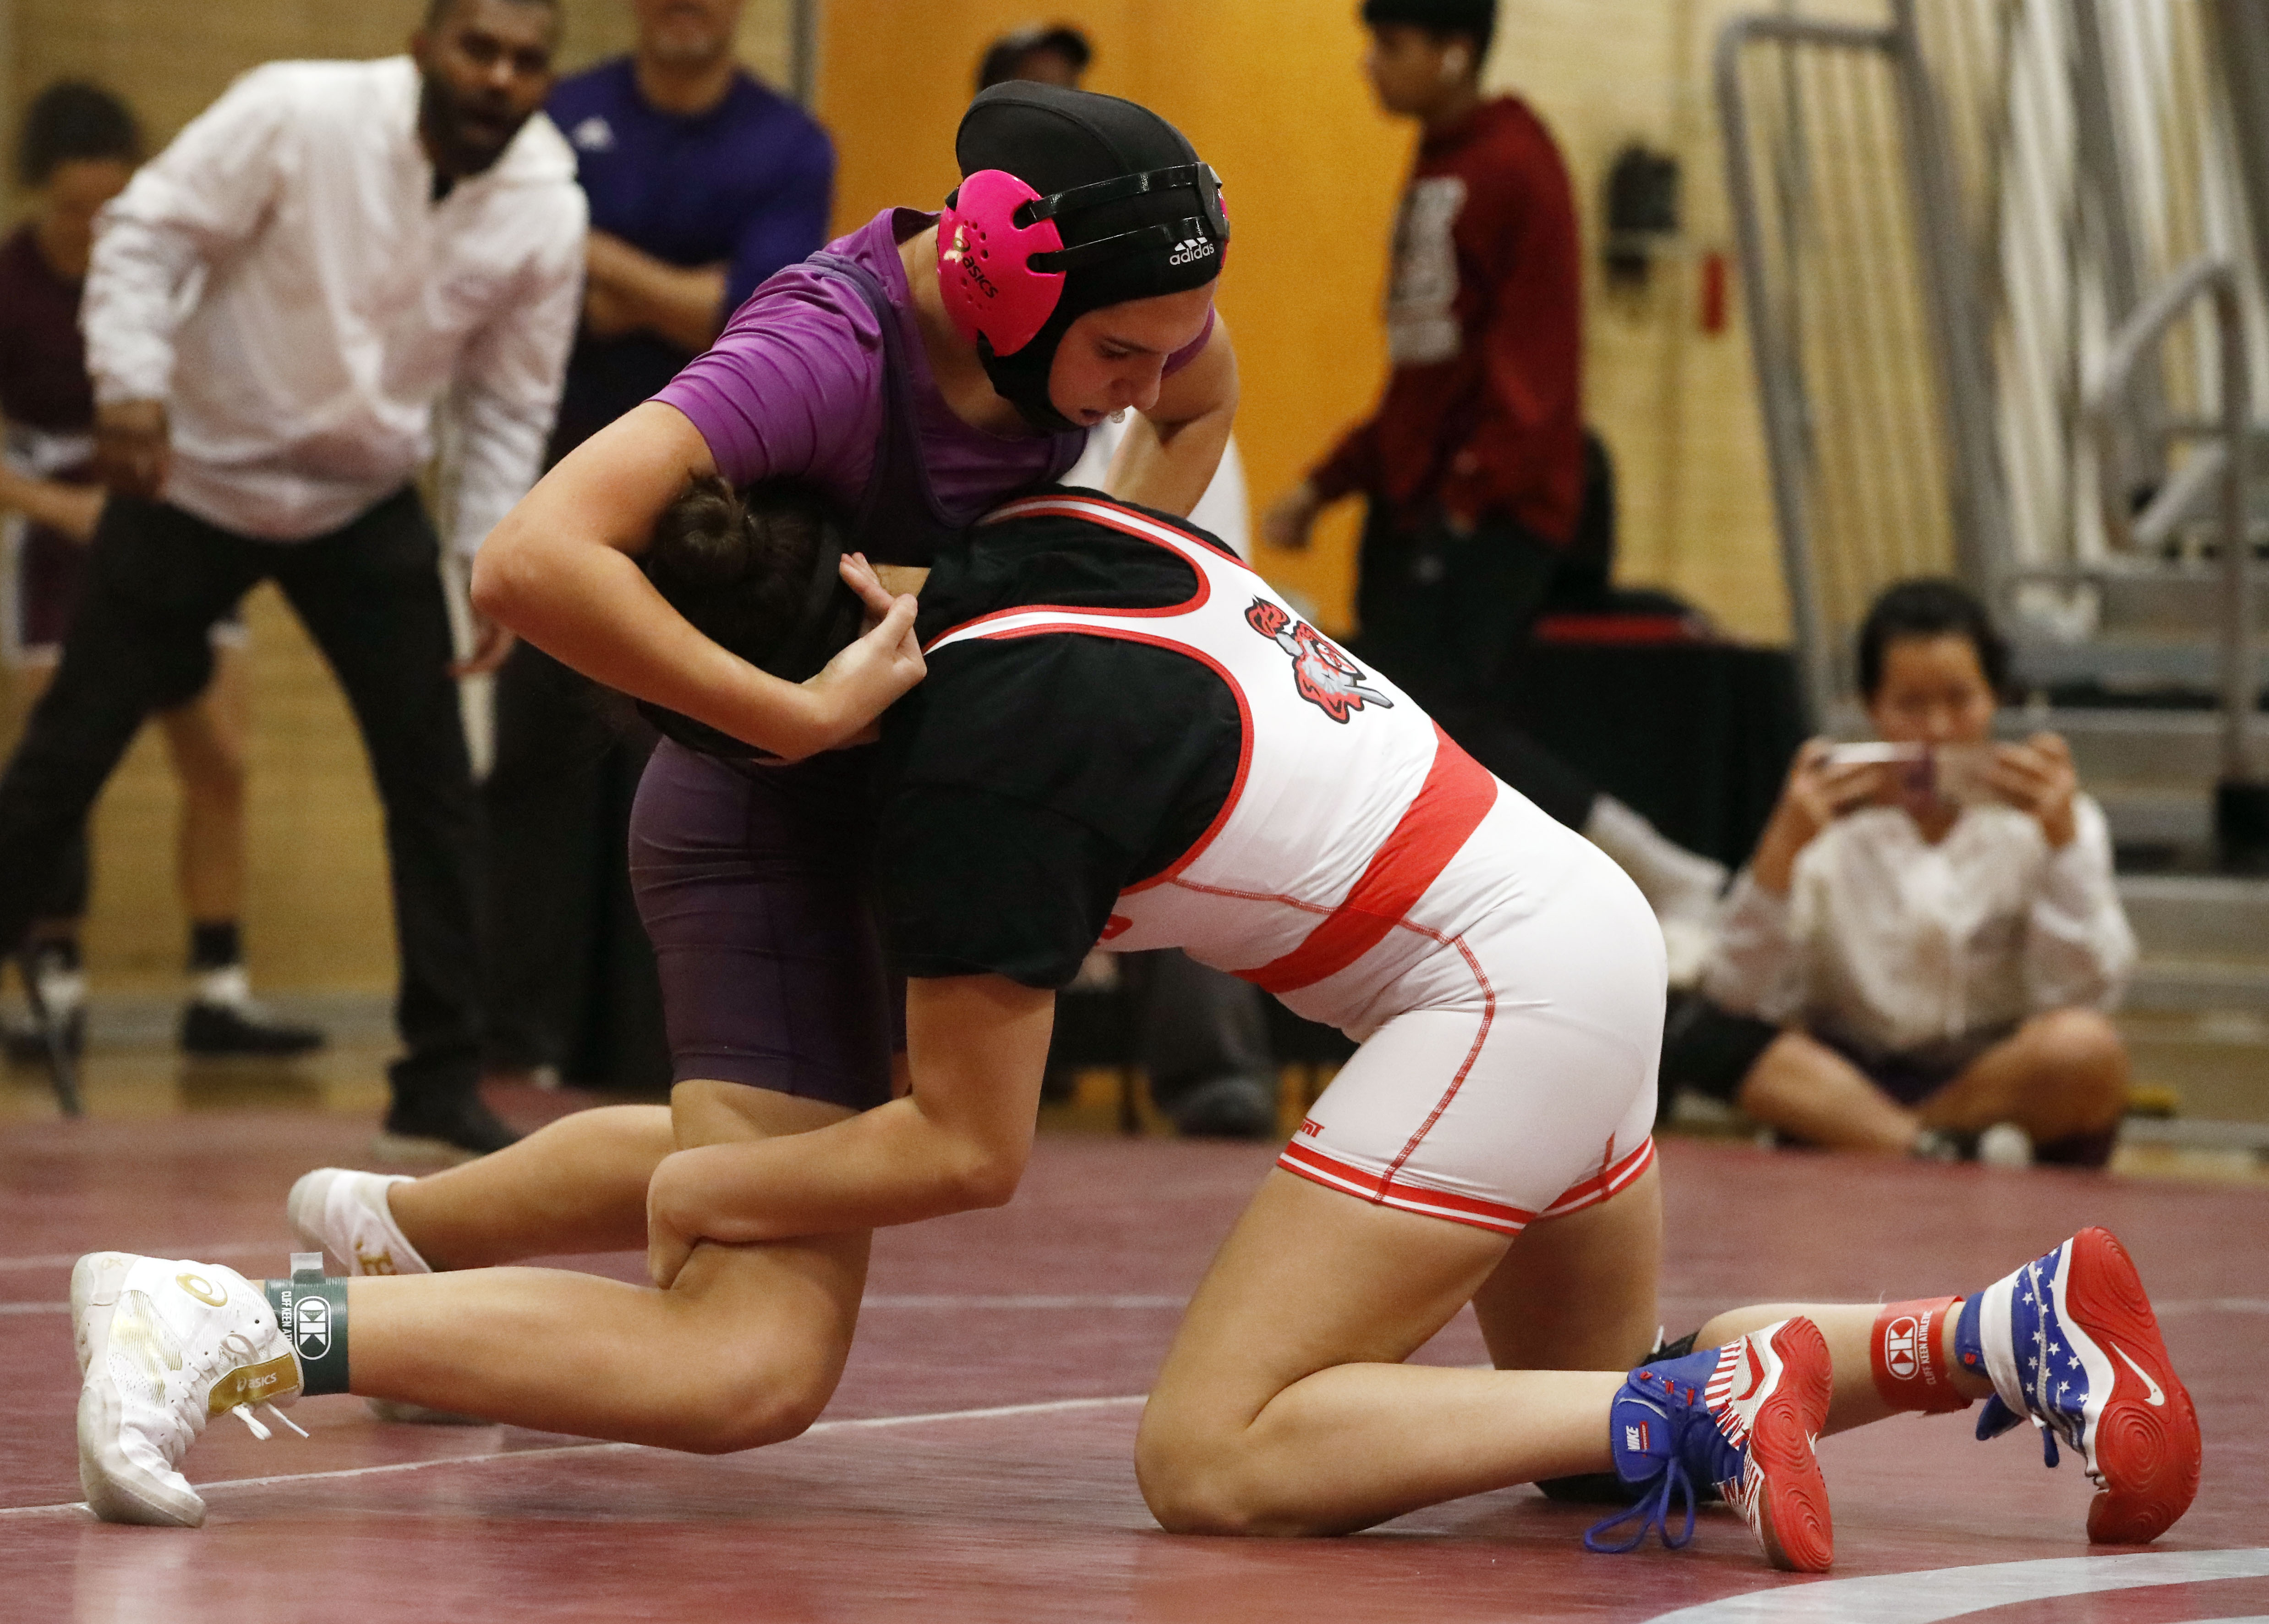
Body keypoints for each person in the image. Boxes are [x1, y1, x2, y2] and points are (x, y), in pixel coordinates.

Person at [73, 486, 2199, 1567]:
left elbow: (961, 1151)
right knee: (1556, 1418)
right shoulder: (1025, 542)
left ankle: (1715, 1401)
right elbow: (1185, 405)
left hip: (1493, 991)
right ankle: (1986, 1332)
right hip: (1557, 922)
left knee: (1212, 1457)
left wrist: (702, 1190)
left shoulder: (973, 790)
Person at [0, 0, 586, 1156]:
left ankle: (438, 1076)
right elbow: (148, 232)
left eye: (526, 62)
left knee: (435, 786)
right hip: (193, 477)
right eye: (478, 48)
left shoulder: (546, 208)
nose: (499, 77)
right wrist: (129, 382)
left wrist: (488, 558)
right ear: (424, 47)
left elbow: (508, 400)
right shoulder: (295, 112)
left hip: (359, 502)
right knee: (63, 761)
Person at [1259, 0, 1727, 974]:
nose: (1370, 66)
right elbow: (1423, 375)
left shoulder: (1514, 162)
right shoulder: (1437, 159)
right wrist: (1332, 482)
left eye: (1390, 46)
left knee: (1441, 722)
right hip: (1422, 500)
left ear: (1453, 52)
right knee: (1403, 728)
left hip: (1485, 504)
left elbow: (1530, 360)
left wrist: (1469, 498)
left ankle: (1656, 871)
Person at [483, 0, 835, 1094]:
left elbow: (750, 323)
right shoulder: (562, 116)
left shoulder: (787, 144)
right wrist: (671, 294)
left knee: (682, 759)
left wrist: (596, 258)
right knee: (538, 766)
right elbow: (523, 294)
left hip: (714, 509)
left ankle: (660, 1045)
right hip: (562, 489)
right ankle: (514, 1036)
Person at [978, 21, 1279, 1138]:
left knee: (1180, 744)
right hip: (1000, 655)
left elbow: (1209, 560)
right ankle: (968, 1049)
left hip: (1142, 644)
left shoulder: (1170, 345)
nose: (1139, 380)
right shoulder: (963, 345)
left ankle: (1207, 1067)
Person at [0, 82, 321, 1066]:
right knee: (60, 755)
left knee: (218, 755)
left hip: (180, 519)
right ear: (41, 192)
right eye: (75, 210)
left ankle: (219, 987)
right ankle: (56, 978)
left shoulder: (175, 275)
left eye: (113, 208)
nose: (96, 229)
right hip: (59, 529)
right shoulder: (11, 280)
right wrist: (55, 506)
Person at [1664, 579, 2137, 1166]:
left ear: (1995, 699)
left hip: (1992, 1077)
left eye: (1961, 700)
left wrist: (2063, 846)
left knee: (2087, 1050)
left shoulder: (2055, 818)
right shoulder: (1822, 816)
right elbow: (1736, 993)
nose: (1937, 730)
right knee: (1707, 1034)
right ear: (1872, 708)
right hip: (1849, 1075)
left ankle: (1891, 1140)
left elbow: (2087, 994)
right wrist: (1782, 850)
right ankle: (1936, 1150)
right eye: (1910, 705)